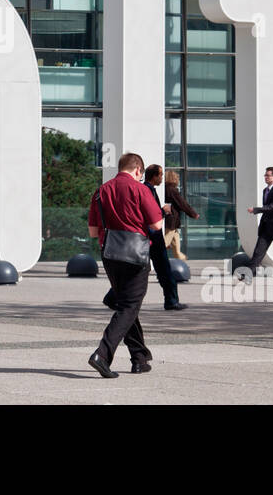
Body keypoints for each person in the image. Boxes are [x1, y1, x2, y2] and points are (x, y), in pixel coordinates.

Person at [87, 152, 165, 377]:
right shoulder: (141, 189)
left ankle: (139, 358)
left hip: (110, 253)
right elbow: (157, 224)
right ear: (138, 170)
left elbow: (93, 231)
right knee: (129, 306)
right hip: (135, 254)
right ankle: (102, 354)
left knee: (126, 304)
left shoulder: (101, 191)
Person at [103, 164, 186, 311]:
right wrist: (163, 210)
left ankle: (112, 297)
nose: (162, 178)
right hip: (150, 238)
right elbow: (148, 215)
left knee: (141, 270)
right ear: (154, 176)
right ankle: (171, 301)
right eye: (160, 175)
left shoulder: (147, 189)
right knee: (161, 270)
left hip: (146, 238)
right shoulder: (145, 190)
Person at [164, 169, 200, 262]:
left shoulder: (165, 189)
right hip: (171, 221)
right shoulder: (172, 190)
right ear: (173, 179)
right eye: (177, 178)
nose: (178, 180)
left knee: (176, 247)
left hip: (172, 222)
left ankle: (182, 261)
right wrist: (193, 214)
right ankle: (148, 259)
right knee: (164, 244)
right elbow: (183, 204)